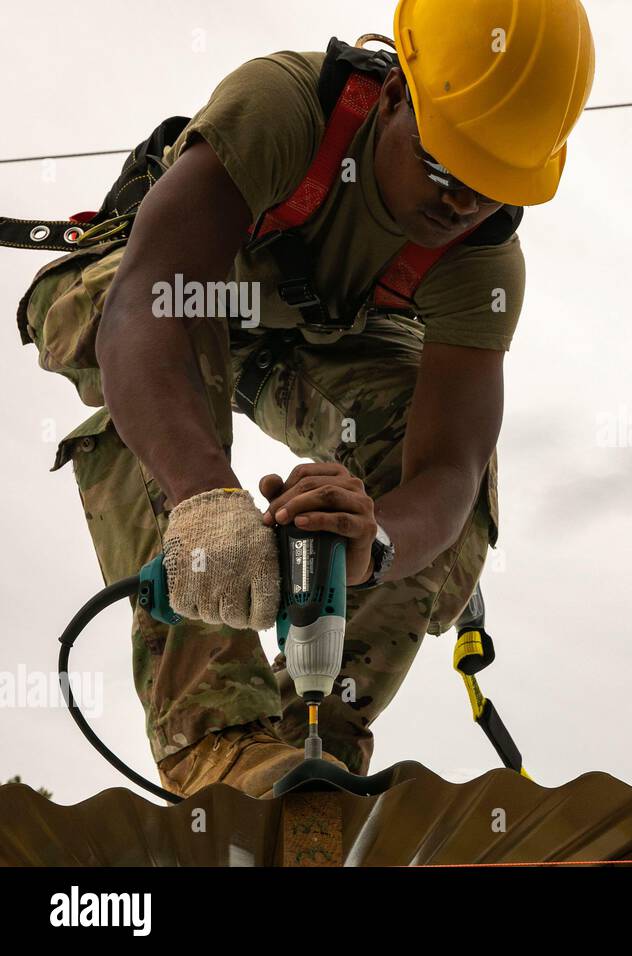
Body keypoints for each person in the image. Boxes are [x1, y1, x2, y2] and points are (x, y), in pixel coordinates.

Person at [15, 0, 595, 797]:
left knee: (454, 510)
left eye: (488, 188)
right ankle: (219, 739)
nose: (457, 204)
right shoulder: (284, 106)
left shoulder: (483, 265)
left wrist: (373, 541)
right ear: (394, 96)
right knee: (163, 385)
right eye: (440, 166)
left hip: (302, 347)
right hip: (147, 294)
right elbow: (151, 299)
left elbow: (450, 467)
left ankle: (314, 743)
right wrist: (204, 497)